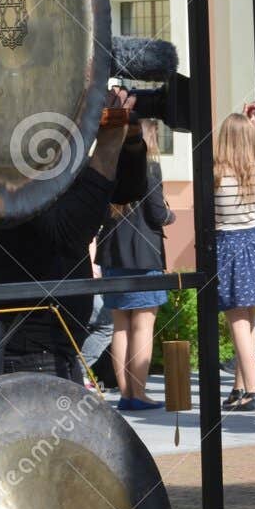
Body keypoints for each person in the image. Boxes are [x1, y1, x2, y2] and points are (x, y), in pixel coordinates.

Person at [0, 87, 142, 384]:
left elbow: (127, 190)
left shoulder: (48, 161)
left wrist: (132, 140)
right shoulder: (11, 166)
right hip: (28, 351)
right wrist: (107, 145)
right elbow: (70, 232)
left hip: (53, 348)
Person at [98, 120, 175, 410]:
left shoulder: (109, 165)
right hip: (143, 256)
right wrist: (170, 216)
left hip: (112, 253)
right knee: (143, 325)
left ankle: (126, 394)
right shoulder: (149, 167)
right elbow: (156, 213)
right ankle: (138, 393)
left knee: (120, 325)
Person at [214, 110, 255, 411]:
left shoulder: (216, 174)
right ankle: (239, 387)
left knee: (238, 323)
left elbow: (210, 217)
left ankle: (253, 391)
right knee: (249, 321)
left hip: (228, 246)